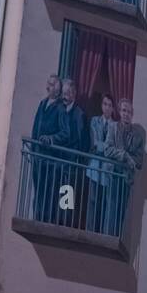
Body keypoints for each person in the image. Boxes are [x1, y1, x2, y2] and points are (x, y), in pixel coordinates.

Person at [37, 78, 89, 228]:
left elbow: (81, 141)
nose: (65, 97)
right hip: (57, 161)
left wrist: (75, 159)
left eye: (67, 93)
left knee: (67, 197)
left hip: (70, 163)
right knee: (54, 193)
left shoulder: (79, 114)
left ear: (73, 94)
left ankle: (67, 224)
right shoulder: (58, 109)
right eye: (63, 93)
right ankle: (53, 221)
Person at [106, 98, 145, 235]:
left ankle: (116, 237)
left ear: (132, 114)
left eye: (129, 112)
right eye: (123, 110)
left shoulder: (137, 135)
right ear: (119, 111)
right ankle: (108, 237)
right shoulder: (113, 128)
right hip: (113, 175)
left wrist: (131, 160)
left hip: (127, 179)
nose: (126, 114)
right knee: (111, 210)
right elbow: (108, 150)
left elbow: (139, 161)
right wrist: (125, 156)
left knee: (121, 212)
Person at [29, 76, 63, 222]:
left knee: (48, 189)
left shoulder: (60, 107)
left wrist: (51, 139)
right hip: (38, 155)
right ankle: (37, 216)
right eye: (48, 83)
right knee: (38, 187)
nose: (48, 87)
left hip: (50, 157)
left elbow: (63, 132)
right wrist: (32, 148)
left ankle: (45, 218)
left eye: (51, 84)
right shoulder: (42, 103)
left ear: (57, 88)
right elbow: (35, 127)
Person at [86, 95, 118, 234]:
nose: (107, 107)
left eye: (110, 105)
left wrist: (104, 148)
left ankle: (101, 232)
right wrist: (106, 148)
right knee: (92, 199)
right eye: (105, 104)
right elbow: (94, 142)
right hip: (94, 165)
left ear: (113, 108)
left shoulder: (115, 126)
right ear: (101, 105)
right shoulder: (95, 121)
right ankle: (89, 230)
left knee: (104, 202)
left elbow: (112, 148)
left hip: (107, 168)